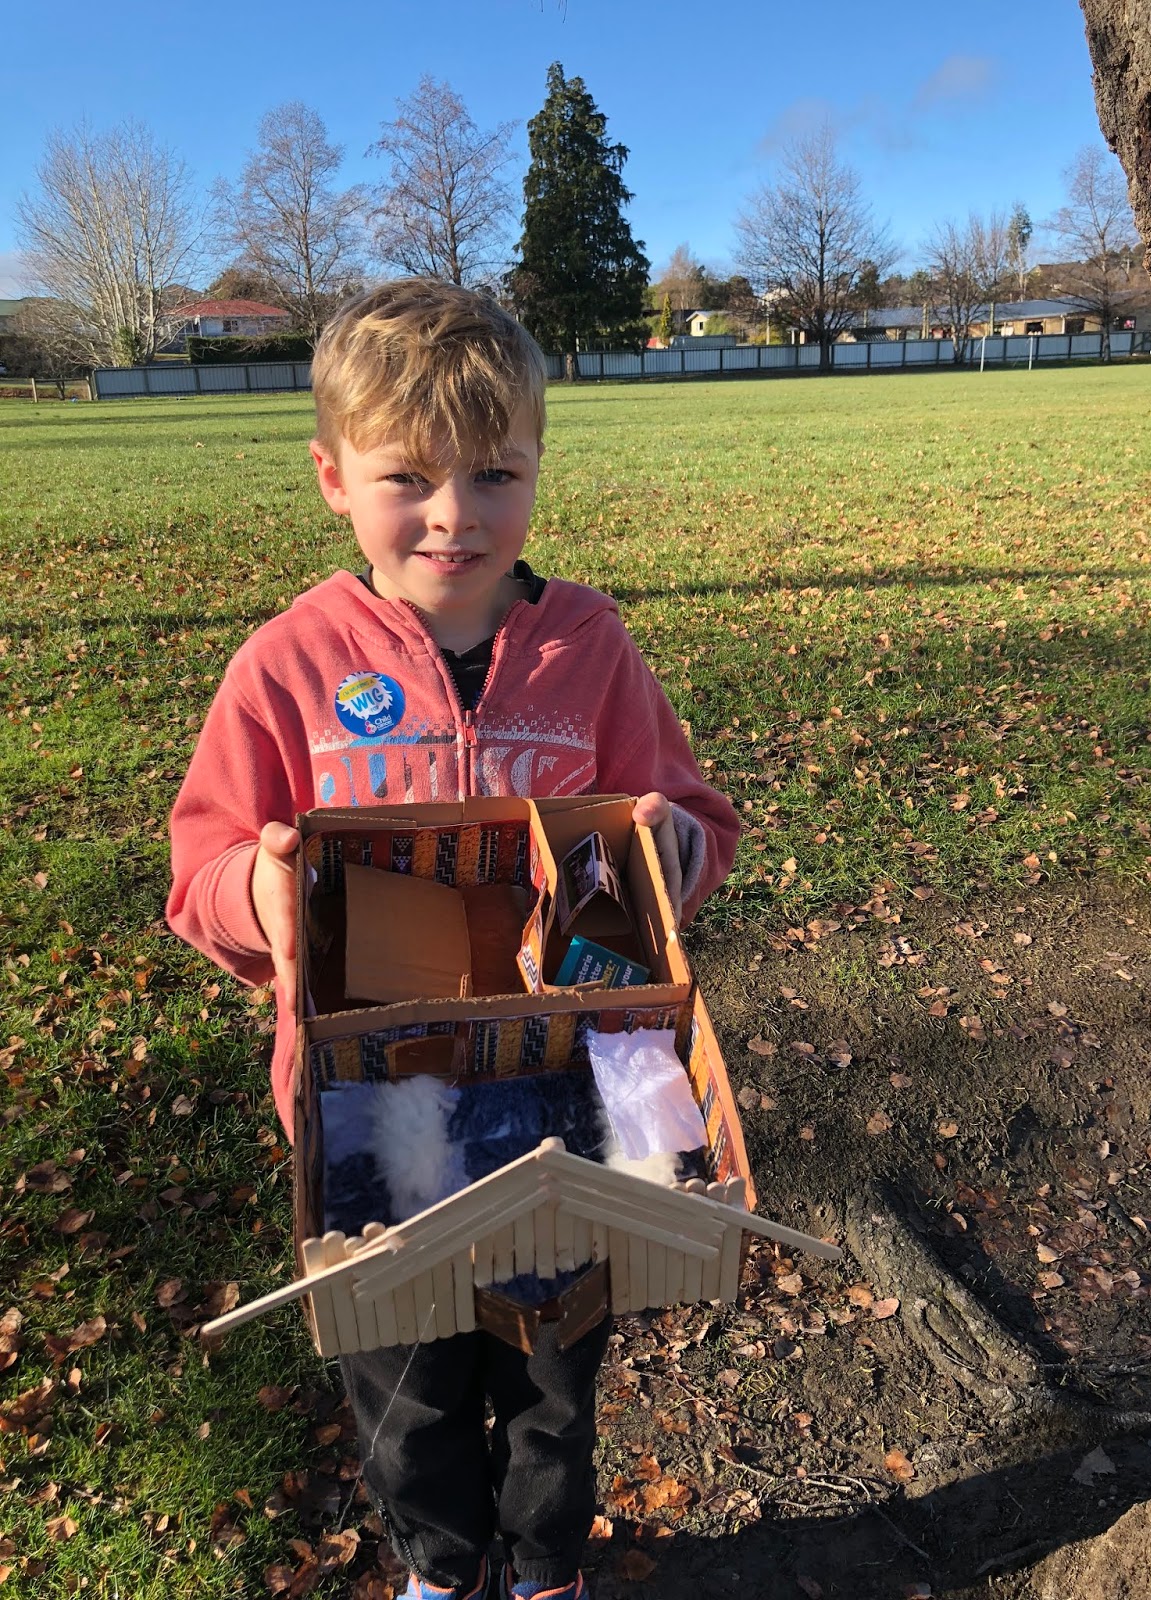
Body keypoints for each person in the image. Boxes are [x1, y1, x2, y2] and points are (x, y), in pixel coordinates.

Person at [167, 279, 739, 1600]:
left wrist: (672, 853)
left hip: (566, 1113)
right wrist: (260, 896)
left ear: (538, 467)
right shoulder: (287, 667)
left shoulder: (587, 646)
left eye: (495, 474)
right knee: (409, 1389)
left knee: (552, 1379)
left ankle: (543, 1566)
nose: (454, 515)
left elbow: (692, 823)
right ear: (332, 477)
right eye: (406, 477)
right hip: (373, 1109)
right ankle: (443, 1567)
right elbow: (201, 873)